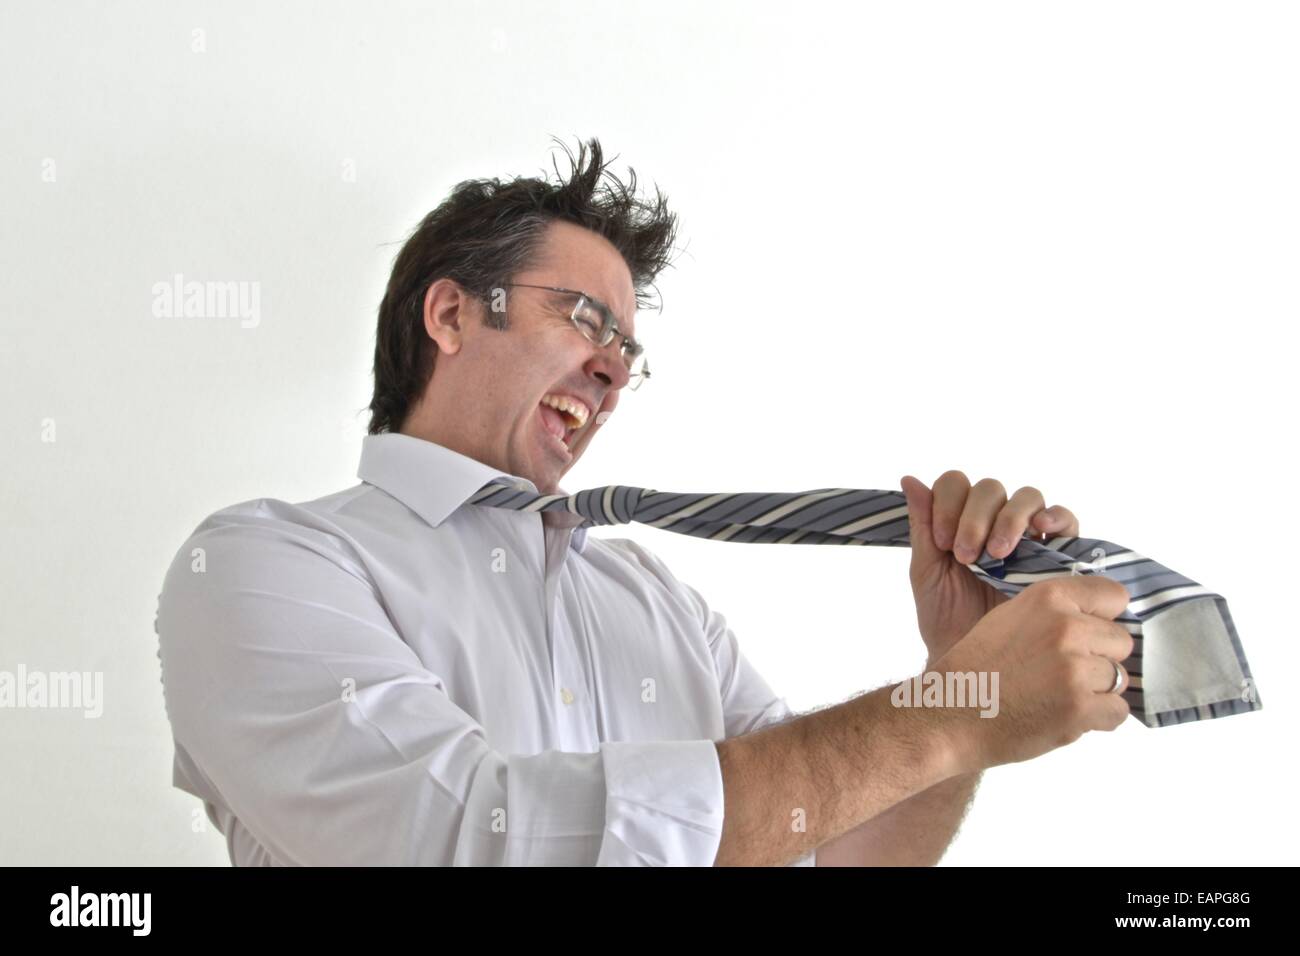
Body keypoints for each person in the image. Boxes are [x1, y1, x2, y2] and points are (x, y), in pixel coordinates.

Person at [155, 137, 1133, 866]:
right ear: (451, 313)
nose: (613, 372)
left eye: (629, 351)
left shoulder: (660, 603)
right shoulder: (263, 565)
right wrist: (950, 716)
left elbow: (835, 851)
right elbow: (471, 836)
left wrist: (954, 672)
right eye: (583, 321)